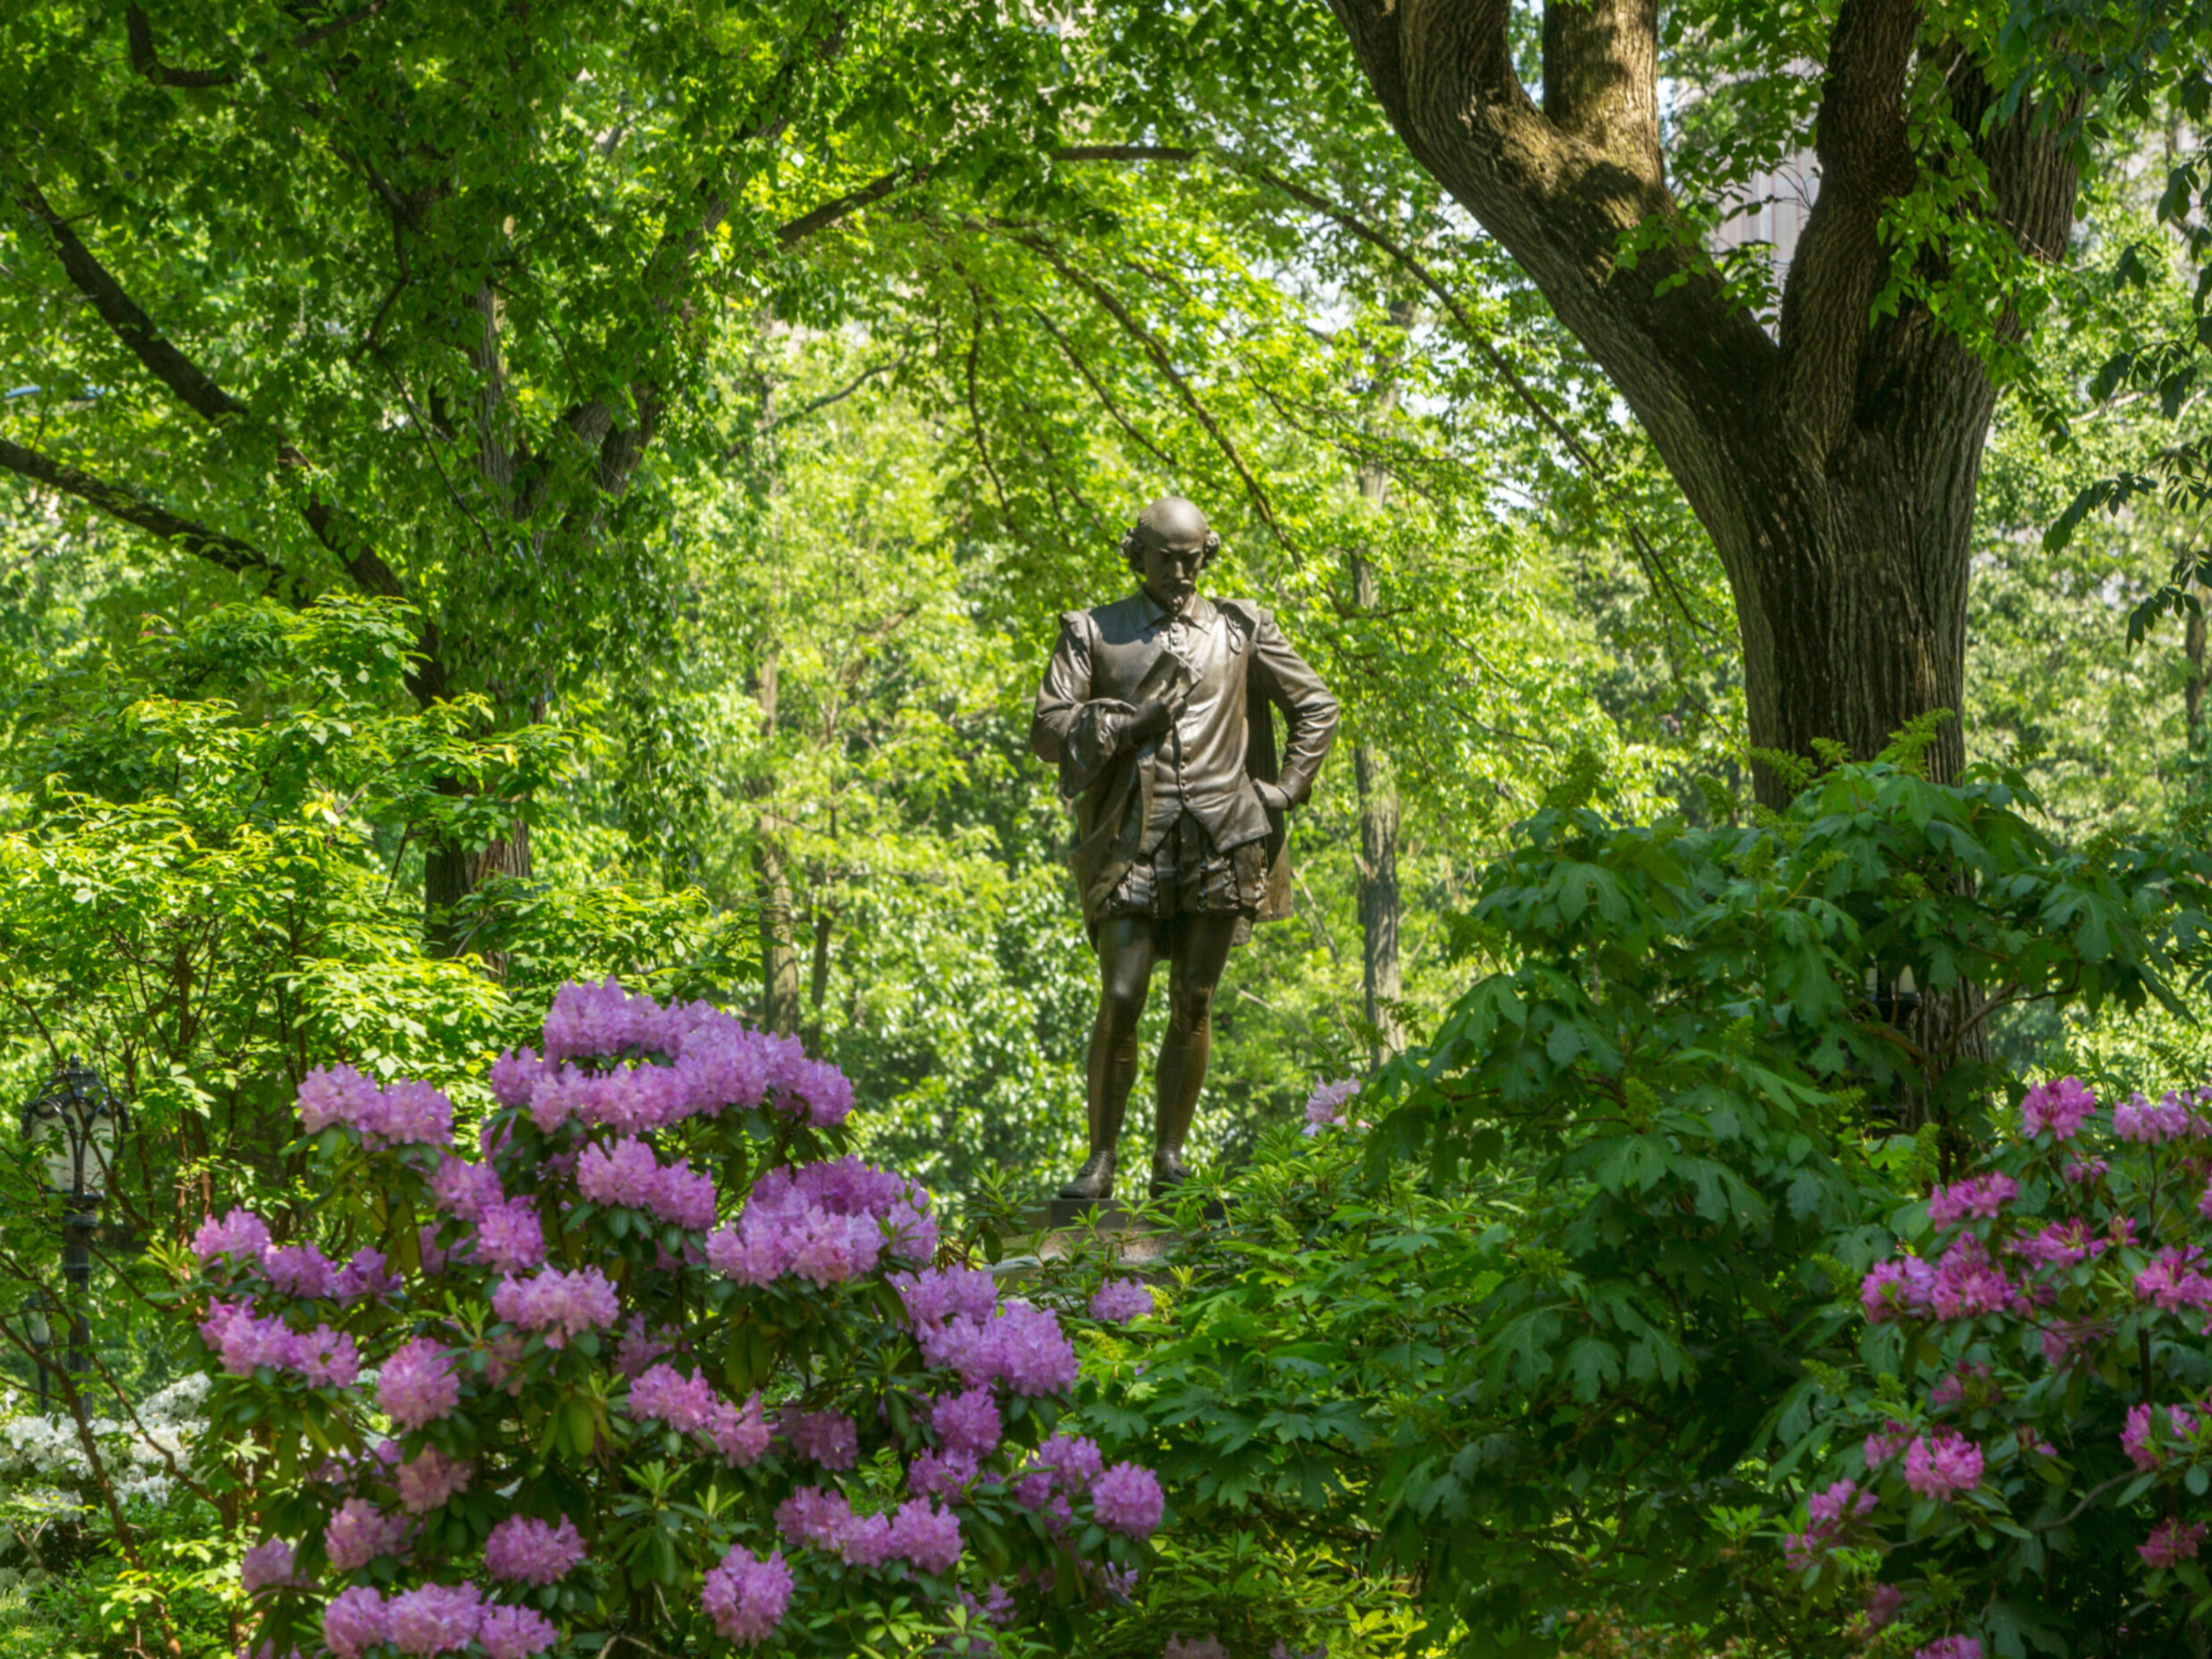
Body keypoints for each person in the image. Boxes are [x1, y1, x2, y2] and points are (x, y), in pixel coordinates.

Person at [1031, 496, 1339, 1203]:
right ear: (1135, 554)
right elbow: (1049, 730)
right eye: (1164, 558)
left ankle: (1169, 1160)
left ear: (1207, 554)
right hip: (1129, 838)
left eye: (1190, 558)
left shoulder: (1241, 627)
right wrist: (1130, 723)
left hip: (1222, 836)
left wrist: (1284, 788)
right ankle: (1099, 1159)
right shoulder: (1093, 632)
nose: (1179, 571)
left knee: (1193, 1000)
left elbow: (1316, 706)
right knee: (1120, 993)